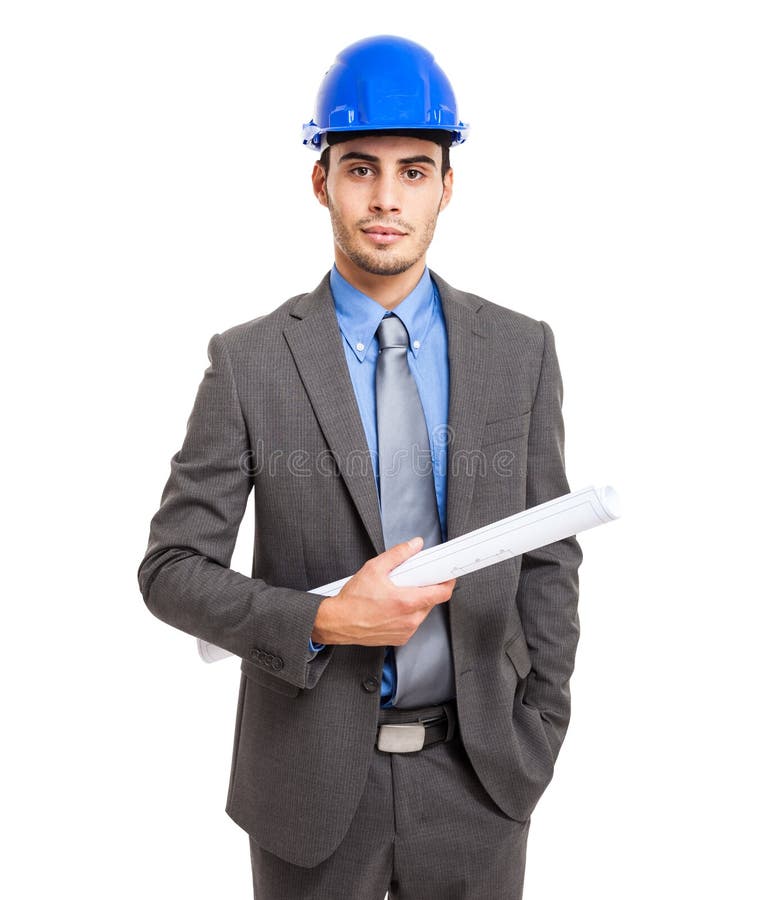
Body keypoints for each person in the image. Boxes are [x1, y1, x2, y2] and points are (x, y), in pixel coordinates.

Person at [138, 34, 582, 900]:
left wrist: (540, 726)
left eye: (413, 171)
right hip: (306, 787)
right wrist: (325, 619)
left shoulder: (519, 349)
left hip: (482, 782)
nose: (385, 197)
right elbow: (171, 570)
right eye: (360, 169)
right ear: (322, 181)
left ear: (446, 186)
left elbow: (550, 555)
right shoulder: (250, 362)